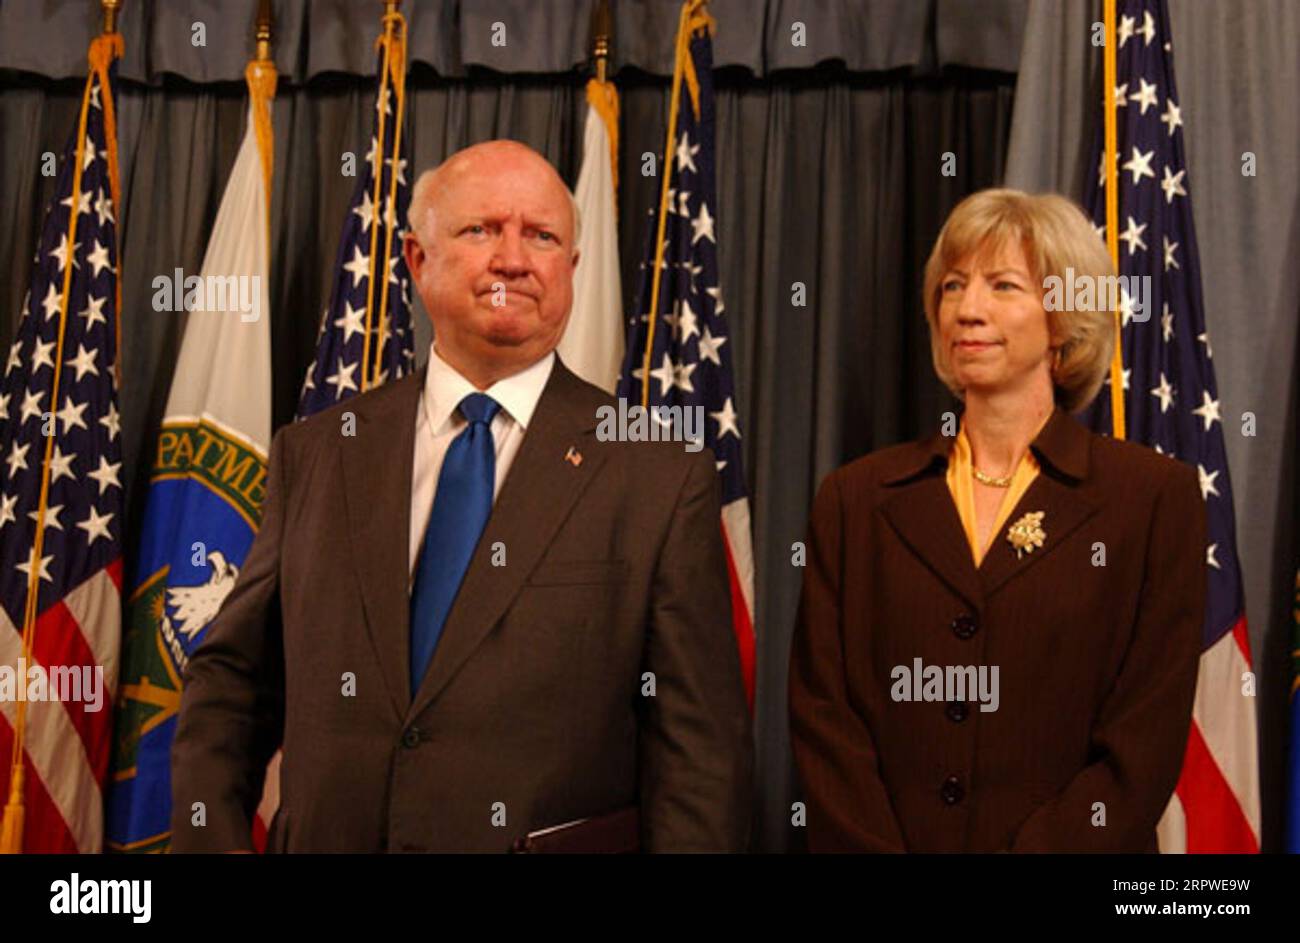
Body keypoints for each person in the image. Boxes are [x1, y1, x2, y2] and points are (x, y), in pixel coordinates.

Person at [171, 140, 752, 853]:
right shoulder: (317, 452)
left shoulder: (658, 473)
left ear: (570, 270)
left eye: (541, 236)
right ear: (417, 260)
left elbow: (699, 758)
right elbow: (231, 681)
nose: (513, 259)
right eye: (481, 230)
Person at [789, 189, 1204, 852]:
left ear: (1062, 320)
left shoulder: (1152, 500)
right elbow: (824, 722)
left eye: (1002, 284)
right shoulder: (855, 500)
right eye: (953, 285)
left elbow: (1142, 746)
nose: (968, 309)